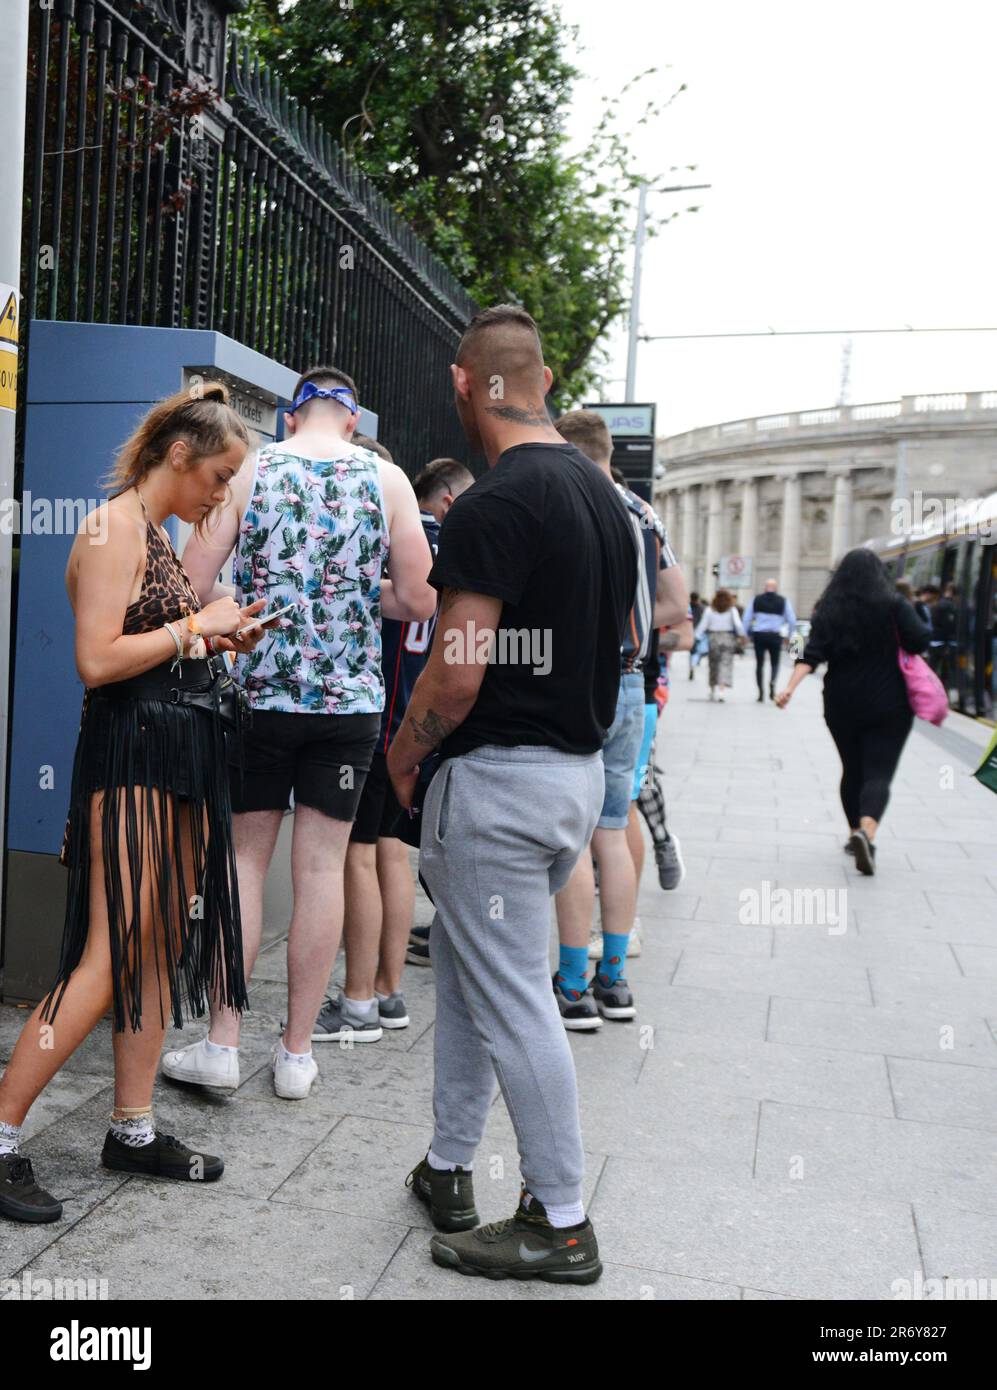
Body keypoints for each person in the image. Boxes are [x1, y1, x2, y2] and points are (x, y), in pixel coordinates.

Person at [386, 305, 637, 1283]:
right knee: (471, 974)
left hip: (493, 785)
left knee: (513, 998)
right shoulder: (598, 494)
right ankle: (450, 1167)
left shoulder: (495, 504)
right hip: (568, 778)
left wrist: (404, 757)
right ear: (536, 381)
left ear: (464, 384)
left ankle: (561, 1219)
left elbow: (455, 672)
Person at [0, 383, 271, 1224]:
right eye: (218, 475)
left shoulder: (150, 532)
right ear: (179, 456)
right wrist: (197, 628)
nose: (221, 494)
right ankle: (1, 1134)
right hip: (132, 764)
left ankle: (134, 1126)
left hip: (174, 761)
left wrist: (218, 633)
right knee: (109, 955)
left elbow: (149, 650)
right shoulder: (112, 525)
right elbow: (96, 659)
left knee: (154, 948)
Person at [161, 365, 436, 1100]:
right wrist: (347, 594)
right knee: (320, 870)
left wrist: (260, 600)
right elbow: (416, 598)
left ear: (289, 416)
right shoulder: (390, 482)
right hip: (346, 708)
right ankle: (296, 1055)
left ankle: (221, 1043)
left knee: (245, 862)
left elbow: (191, 582)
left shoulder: (252, 468)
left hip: (257, 697)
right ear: (352, 419)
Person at [550, 414, 689, 1033]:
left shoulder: (567, 503)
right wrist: (630, 625)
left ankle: (573, 984)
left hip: (578, 682)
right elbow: (679, 604)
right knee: (613, 826)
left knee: (574, 837)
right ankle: (616, 979)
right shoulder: (644, 513)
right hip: (632, 682)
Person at [332, 453, 475, 1033]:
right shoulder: (454, 548)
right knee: (390, 850)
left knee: (356, 855)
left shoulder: (390, 540)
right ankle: (388, 992)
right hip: (419, 724)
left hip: (377, 722)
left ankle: (359, 1000)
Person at [776, 547, 931, 874]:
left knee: (852, 769)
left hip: (841, 703)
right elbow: (920, 641)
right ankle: (868, 830)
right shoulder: (894, 605)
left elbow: (810, 654)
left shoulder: (828, 610)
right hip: (891, 702)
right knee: (879, 771)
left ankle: (852, 834)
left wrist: (789, 688)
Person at [744, 577, 796, 702]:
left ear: (765, 588)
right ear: (776, 589)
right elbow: (792, 620)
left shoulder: (756, 600)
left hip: (759, 635)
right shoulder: (783, 601)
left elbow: (746, 618)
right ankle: (772, 683)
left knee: (759, 664)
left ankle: (761, 692)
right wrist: (790, 636)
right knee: (775, 663)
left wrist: (745, 635)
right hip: (775, 635)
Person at [694, 589, 745, 700]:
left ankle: (712, 689)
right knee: (725, 664)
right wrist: (742, 636)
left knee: (713, 664)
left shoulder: (710, 610)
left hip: (713, 638)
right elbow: (738, 625)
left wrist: (696, 637)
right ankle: (722, 691)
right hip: (728, 638)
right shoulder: (732, 610)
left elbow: (703, 625)